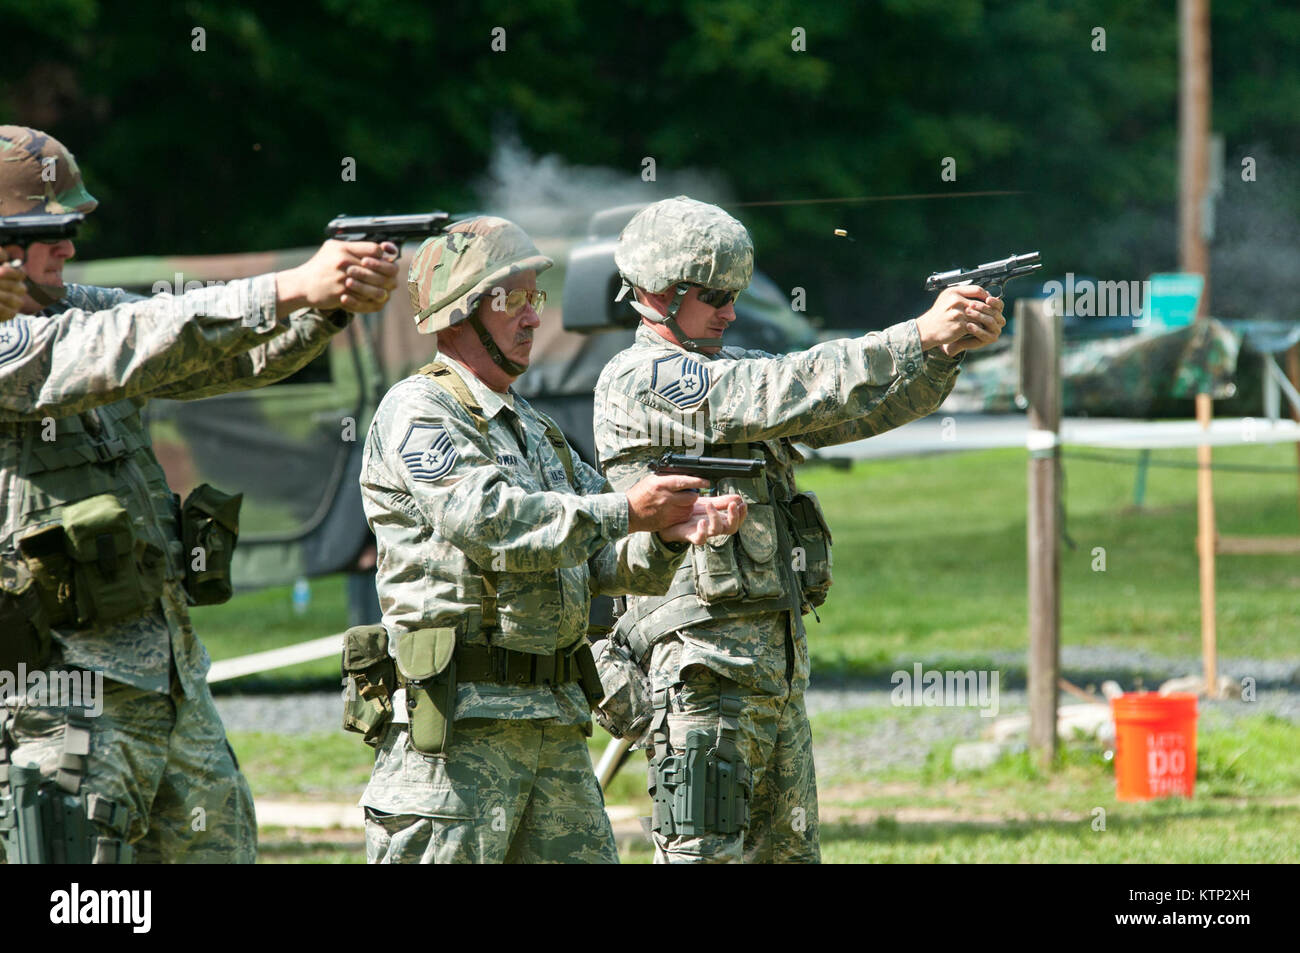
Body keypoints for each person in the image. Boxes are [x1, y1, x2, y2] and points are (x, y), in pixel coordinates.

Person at [0, 125, 399, 863]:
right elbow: (120, 342)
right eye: (50, 232)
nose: (70, 249)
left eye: (72, 230)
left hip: (169, 680)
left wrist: (327, 306)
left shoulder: (73, 309)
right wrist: (290, 285)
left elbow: (215, 355)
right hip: (54, 699)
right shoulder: (44, 338)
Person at [593, 195, 1005, 864]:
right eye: (714, 294)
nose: (729, 309)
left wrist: (942, 356)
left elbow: (850, 411)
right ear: (660, 293)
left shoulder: (726, 368)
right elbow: (782, 387)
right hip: (700, 673)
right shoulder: (641, 379)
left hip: (771, 673)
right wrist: (914, 335)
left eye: (734, 293)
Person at [355, 216, 747, 864]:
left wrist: (673, 533)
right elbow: (491, 523)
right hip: (457, 742)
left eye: (535, 296)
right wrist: (627, 508)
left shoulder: (534, 429)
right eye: (514, 297)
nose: (535, 316)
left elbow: (602, 559)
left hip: (555, 726)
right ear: (460, 311)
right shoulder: (418, 410)